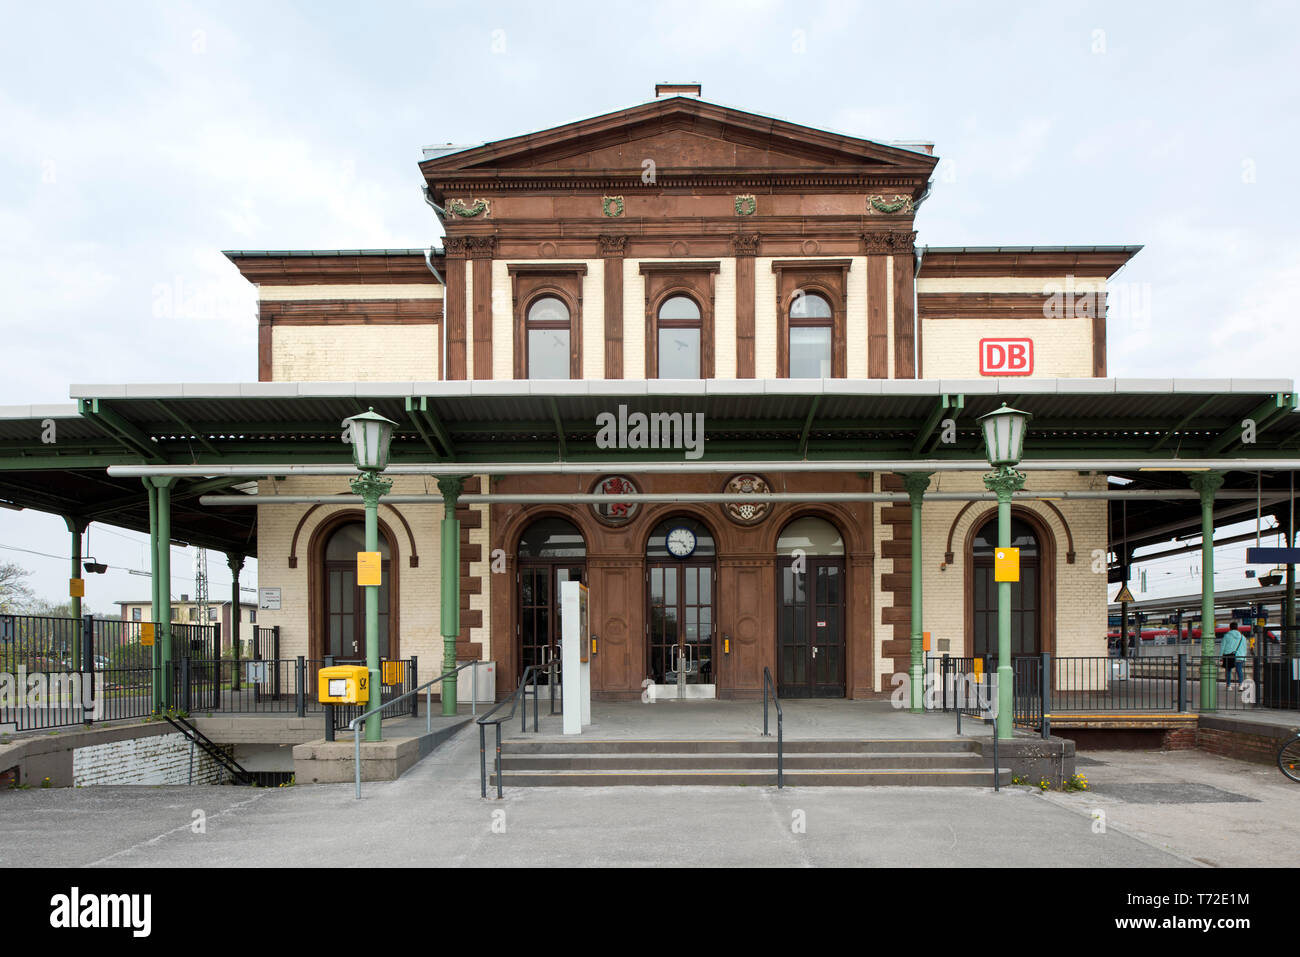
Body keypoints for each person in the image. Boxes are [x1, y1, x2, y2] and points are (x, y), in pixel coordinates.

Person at [1221, 621, 1248, 690]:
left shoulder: (1226, 636)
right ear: (1237, 628)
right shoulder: (1243, 637)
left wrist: (1221, 656)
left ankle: (1228, 686)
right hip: (1240, 656)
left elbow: (1222, 647)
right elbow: (1245, 647)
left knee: (1228, 671)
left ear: (1230, 628)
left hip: (1229, 656)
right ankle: (1241, 685)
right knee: (1239, 670)